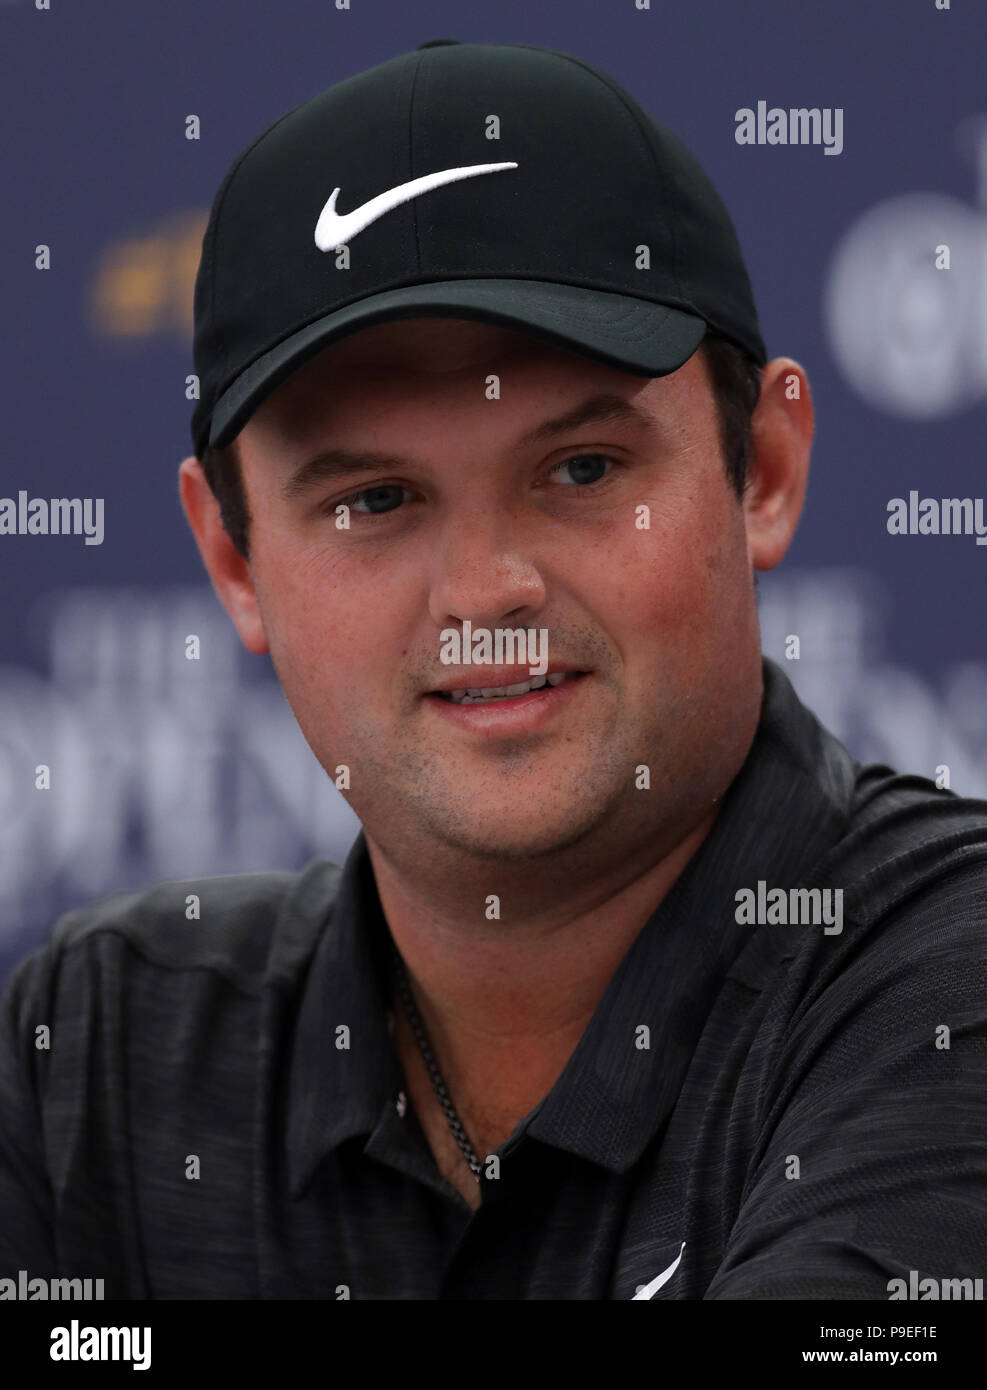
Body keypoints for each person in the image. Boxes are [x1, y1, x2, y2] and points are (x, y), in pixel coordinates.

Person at [1, 38, 985, 1302]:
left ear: (767, 472)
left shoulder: (946, 988)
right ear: (231, 558)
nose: (484, 593)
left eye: (581, 470)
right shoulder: (97, 1051)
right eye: (375, 499)